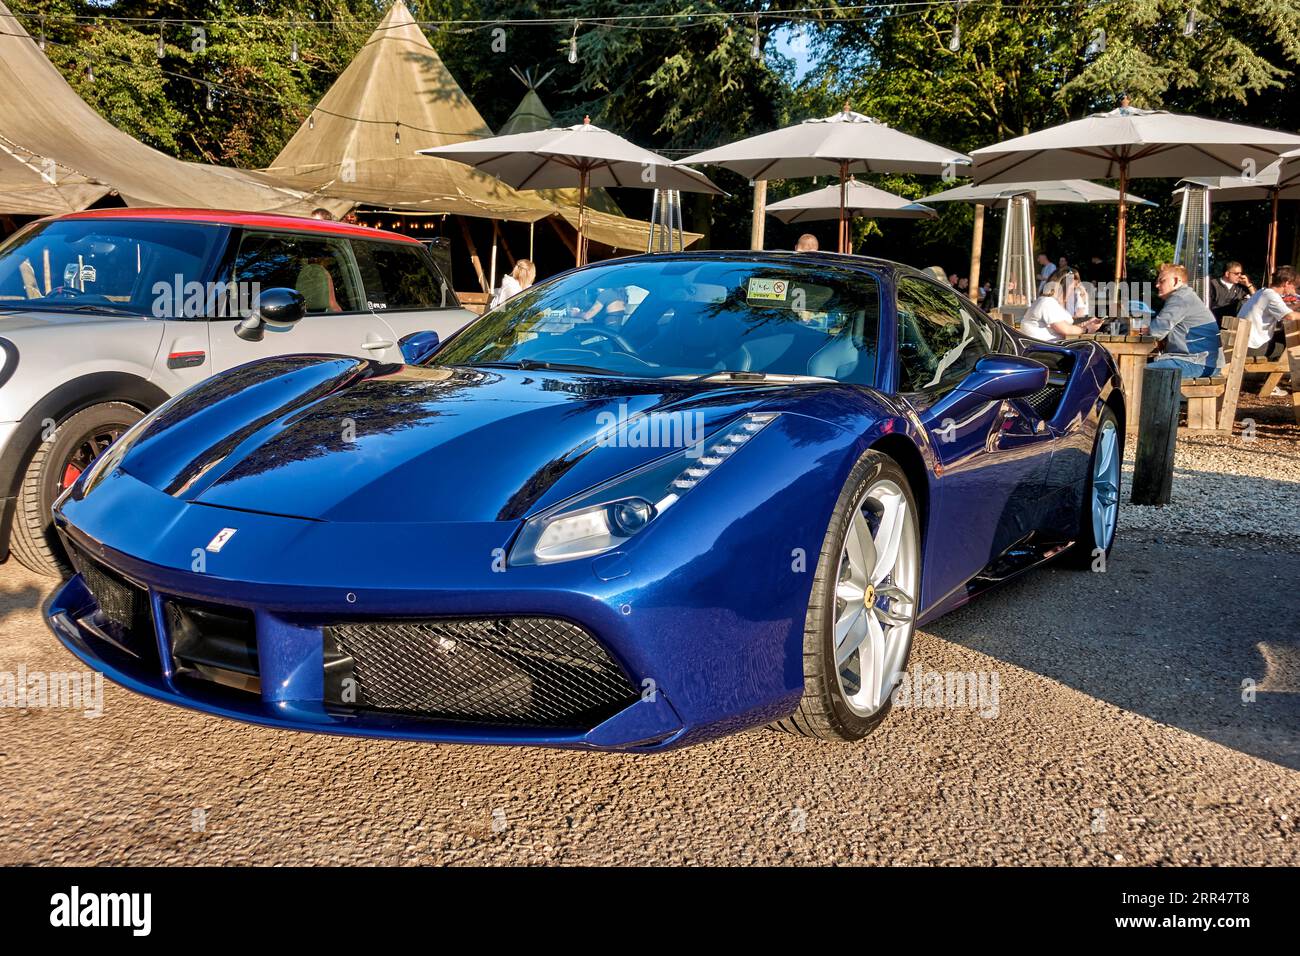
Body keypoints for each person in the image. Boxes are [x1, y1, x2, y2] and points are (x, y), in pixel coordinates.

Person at [1147, 263, 1223, 379]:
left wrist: (1141, 329)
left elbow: (1155, 331)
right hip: (1204, 363)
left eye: (1162, 281)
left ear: (1176, 281)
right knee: (1140, 367)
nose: (1157, 285)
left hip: (1197, 364)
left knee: (1136, 371)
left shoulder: (1180, 298)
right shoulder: (1185, 296)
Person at [1236, 266, 1300, 368]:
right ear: (1287, 283)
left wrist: (1297, 305)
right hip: (1252, 347)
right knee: (1292, 343)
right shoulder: (1271, 296)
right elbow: (1290, 316)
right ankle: (1275, 377)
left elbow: (1284, 309)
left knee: (1284, 337)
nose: (1294, 290)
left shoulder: (1262, 292)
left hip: (1243, 342)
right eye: (1294, 286)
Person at [1021, 279, 1103, 341]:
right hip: (1044, 351)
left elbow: (1065, 327)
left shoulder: (1050, 302)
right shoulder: (1047, 302)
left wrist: (1086, 324)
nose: (1073, 293)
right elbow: (1066, 330)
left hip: (1048, 348)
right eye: (1072, 289)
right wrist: (1087, 329)